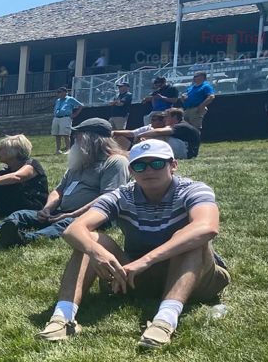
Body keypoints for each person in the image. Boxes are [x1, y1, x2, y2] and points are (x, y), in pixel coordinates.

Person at [36, 139, 229, 349]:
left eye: (156, 163)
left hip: (198, 279)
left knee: (189, 237)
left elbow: (207, 227)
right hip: (137, 277)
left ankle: (165, 321)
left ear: (173, 165)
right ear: (131, 170)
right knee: (90, 239)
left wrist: (146, 260)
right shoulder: (121, 195)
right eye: (139, 165)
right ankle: (62, 317)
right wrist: (96, 252)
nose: (148, 171)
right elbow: (74, 229)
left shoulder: (193, 190)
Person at [0, 118, 129, 248]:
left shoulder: (115, 162)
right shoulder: (79, 163)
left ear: (93, 139)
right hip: (63, 213)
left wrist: (73, 214)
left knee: (66, 224)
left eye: (78, 137)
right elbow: (58, 191)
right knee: (22, 214)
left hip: (93, 217)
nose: (74, 141)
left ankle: (25, 239)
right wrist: (47, 209)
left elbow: (107, 198)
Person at [133, 108, 201, 160]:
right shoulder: (179, 125)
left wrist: (139, 135)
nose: (164, 119)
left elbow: (159, 132)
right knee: (157, 136)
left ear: (174, 117)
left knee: (161, 136)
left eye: (166, 116)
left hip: (187, 153)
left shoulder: (181, 126)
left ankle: (144, 152)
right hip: (187, 151)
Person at [52, 87, 84, 154]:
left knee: (66, 134)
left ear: (65, 92)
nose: (58, 94)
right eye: (58, 92)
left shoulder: (70, 99)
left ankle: (68, 149)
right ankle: (58, 150)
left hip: (65, 118)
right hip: (56, 117)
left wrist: (75, 114)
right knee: (57, 134)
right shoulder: (58, 100)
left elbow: (81, 105)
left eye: (60, 92)